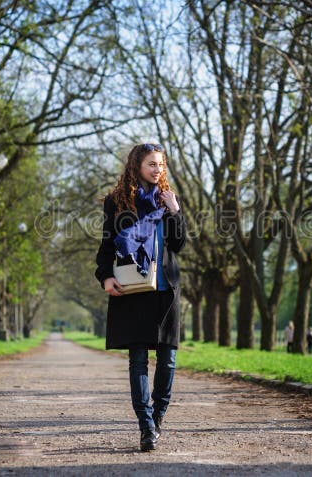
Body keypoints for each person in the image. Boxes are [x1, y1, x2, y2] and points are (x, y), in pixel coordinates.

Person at [95, 143, 187, 452]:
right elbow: (108, 243)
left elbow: (179, 243)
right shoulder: (117, 202)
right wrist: (105, 275)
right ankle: (146, 426)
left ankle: (157, 418)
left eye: (161, 164)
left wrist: (175, 211)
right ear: (137, 166)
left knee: (168, 359)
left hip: (166, 290)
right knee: (137, 360)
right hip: (133, 291)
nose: (158, 169)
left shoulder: (169, 200)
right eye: (152, 164)